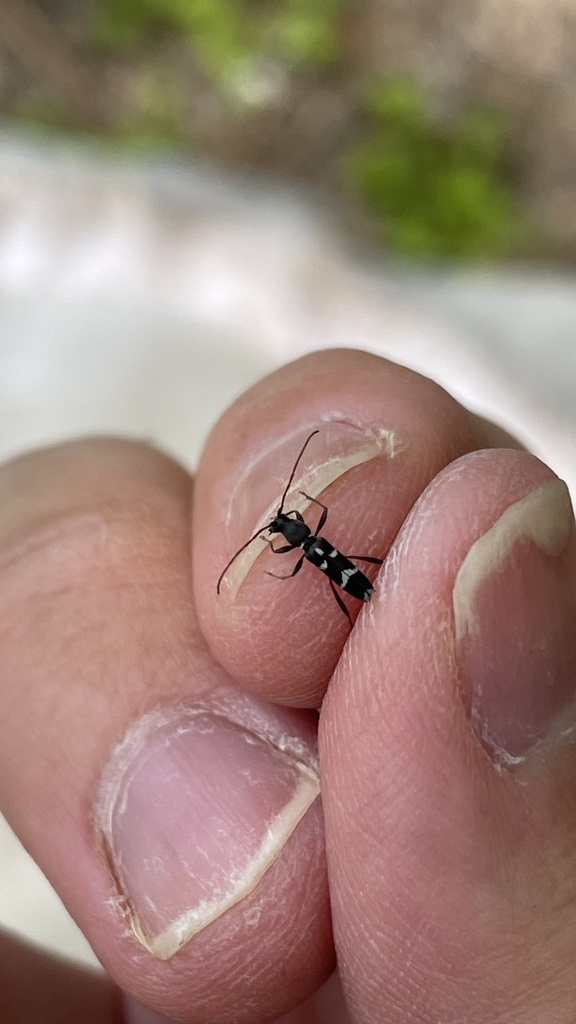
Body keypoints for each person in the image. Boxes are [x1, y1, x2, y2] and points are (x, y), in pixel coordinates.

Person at [1, 348, 575, 1024]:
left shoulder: (305, 547)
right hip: (351, 581)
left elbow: (304, 551)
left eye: (289, 528)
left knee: (354, 584)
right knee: (346, 586)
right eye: (290, 530)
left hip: (356, 583)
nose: (290, 532)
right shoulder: (305, 543)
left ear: (297, 531)